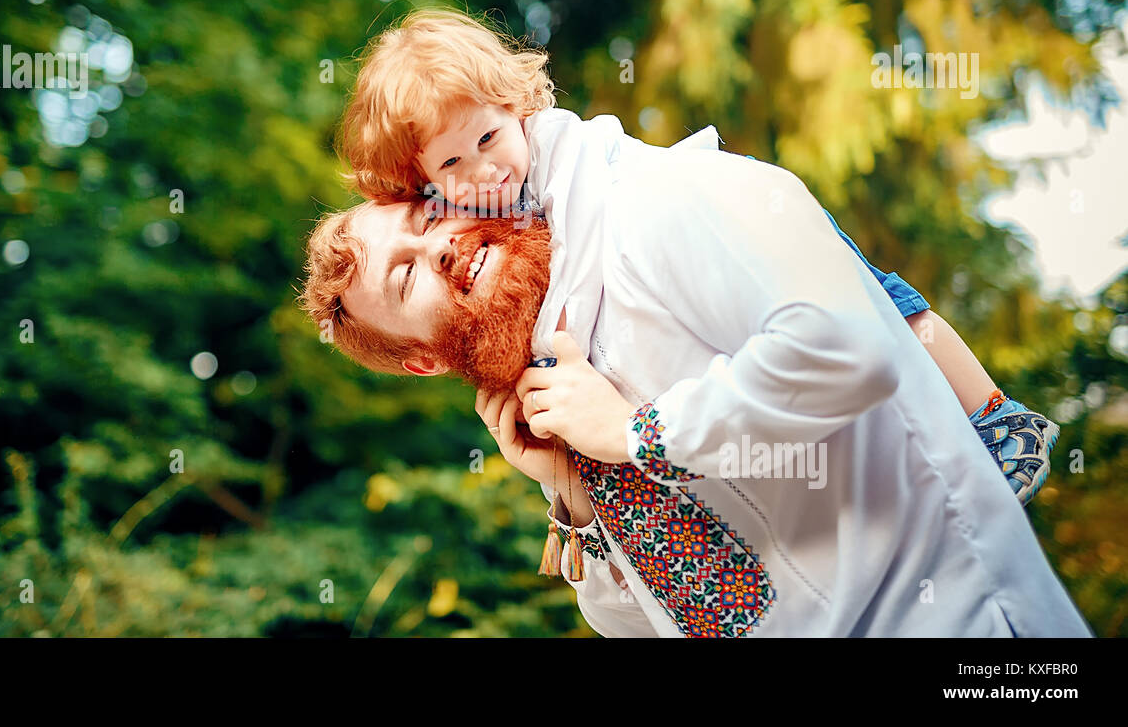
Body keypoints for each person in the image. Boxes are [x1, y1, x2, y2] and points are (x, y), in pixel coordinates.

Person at [297, 133, 1092, 636]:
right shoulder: (556, 380)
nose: (438, 248)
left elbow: (853, 346)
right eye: (404, 280)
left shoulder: (652, 209)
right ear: (421, 360)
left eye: (428, 221)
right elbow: (674, 616)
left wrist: (635, 435)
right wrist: (573, 496)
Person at [338, 7, 1058, 504]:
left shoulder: (569, 161)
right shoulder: (473, 222)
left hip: (746, 221)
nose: (482, 171)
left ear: (515, 106)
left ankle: (993, 415)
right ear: (425, 181)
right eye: (453, 164)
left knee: (891, 307)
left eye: (489, 140)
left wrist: (621, 426)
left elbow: (595, 241)